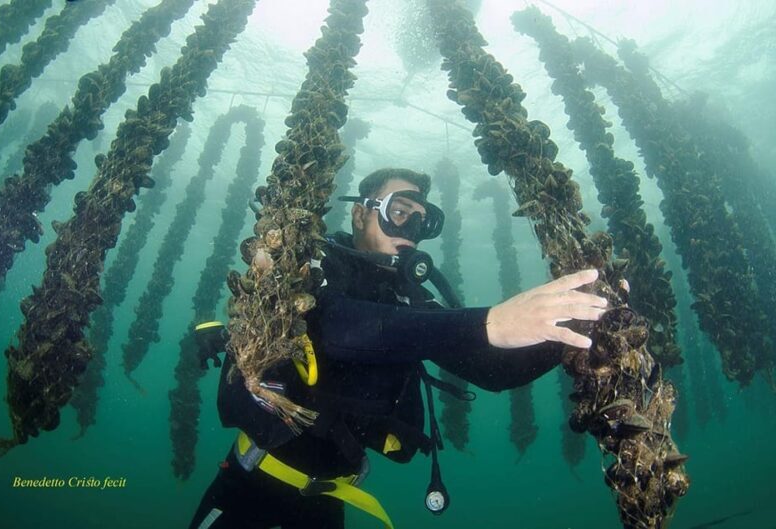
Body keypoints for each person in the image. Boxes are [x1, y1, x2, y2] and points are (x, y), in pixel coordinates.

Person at [188, 168, 608, 529]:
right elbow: (343, 330)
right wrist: (492, 322)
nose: (409, 230)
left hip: (329, 501)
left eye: (420, 222)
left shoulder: (409, 302)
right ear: (359, 213)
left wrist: (579, 328)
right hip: (251, 482)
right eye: (398, 212)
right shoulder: (313, 269)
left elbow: (495, 372)